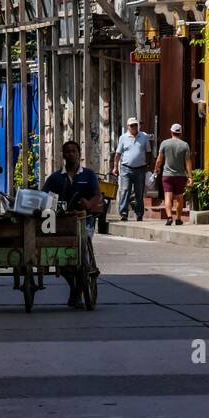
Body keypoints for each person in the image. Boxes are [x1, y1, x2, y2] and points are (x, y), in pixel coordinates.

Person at [43, 140, 103, 308]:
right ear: (63, 155)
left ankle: (78, 291)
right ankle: (74, 287)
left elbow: (97, 194)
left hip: (85, 222)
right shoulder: (55, 178)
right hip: (62, 223)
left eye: (73, 151)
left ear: (79, 154)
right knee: (60, 258)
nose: (70, 154)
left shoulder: (88, 175)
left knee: (80, 254)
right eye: (67, 151)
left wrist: (89, 204)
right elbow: (44, 196)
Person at [111, 117, 151, 221]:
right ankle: (124, 213)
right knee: (125, 190)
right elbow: (118, 154)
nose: (134, 127)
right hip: (126, 168)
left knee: (139, 192)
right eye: (132, 125)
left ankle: (139, 214)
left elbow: (148, 152)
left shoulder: (143, 136)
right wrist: (115, 167)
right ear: (128, 127)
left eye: (135, 125)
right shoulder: (123, 137)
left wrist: (148, 166)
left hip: (140, 168)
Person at [155, 123, 193, 226]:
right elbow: (188, 162)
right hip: (180, 175)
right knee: (179, 197)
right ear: (180, 133)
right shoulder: (185, 145)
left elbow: (159, 159)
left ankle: (169, 217)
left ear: (171, 132)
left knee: (168, 196)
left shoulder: (164, 143)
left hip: (167, 175)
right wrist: (190, 176)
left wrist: (156, 169)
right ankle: (179, 219)